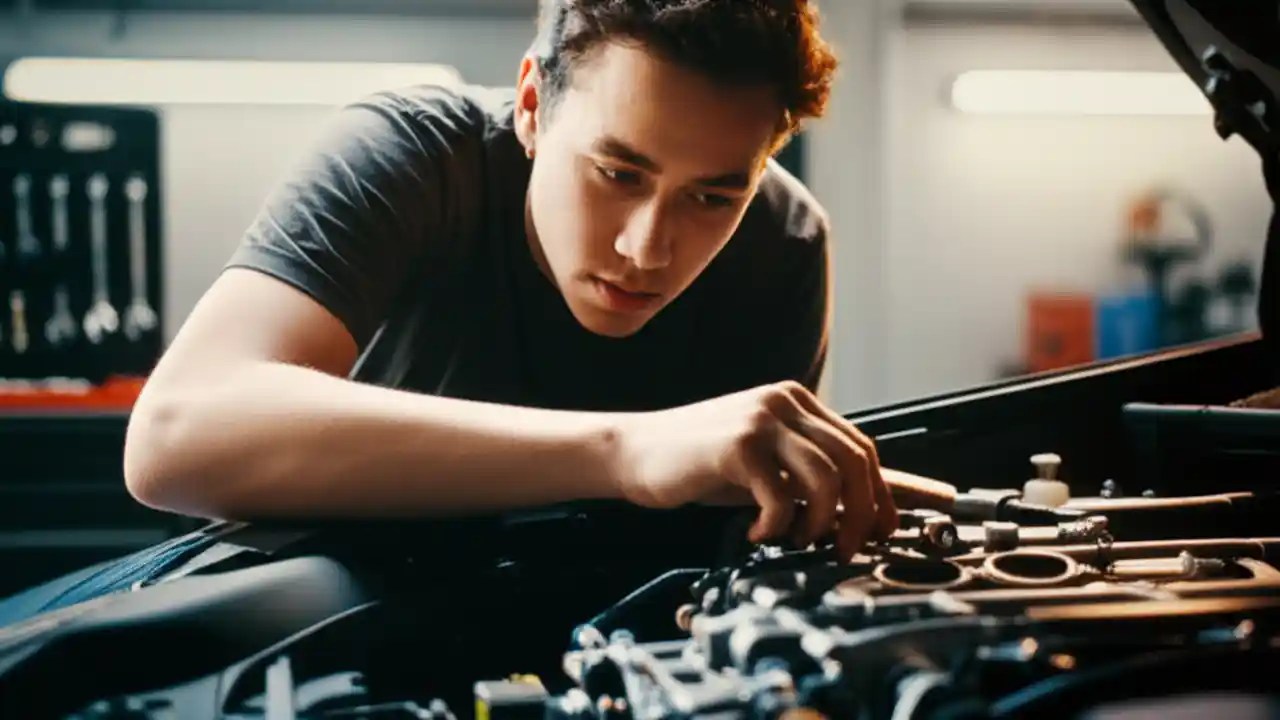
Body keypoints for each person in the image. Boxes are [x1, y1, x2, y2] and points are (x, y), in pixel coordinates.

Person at [122, 0, 910, 567]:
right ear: (532, 105)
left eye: (713, 197)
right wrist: (627, 451)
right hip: (336, 620)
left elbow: (739, 550)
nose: (646, 249)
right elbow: (176, 439)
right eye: (617, 173)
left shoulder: (786, 241)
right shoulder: (415, 155)